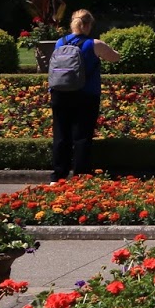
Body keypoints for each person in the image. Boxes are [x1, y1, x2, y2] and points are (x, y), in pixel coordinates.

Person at [49, 9, 122, 181]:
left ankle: (58, 175)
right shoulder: (94, 44)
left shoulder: (60, 42)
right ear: (88, 25)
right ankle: (81, 175)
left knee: (61, 135)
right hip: (85, 94)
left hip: (60, 93)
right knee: (82, 136)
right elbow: (115, 58)